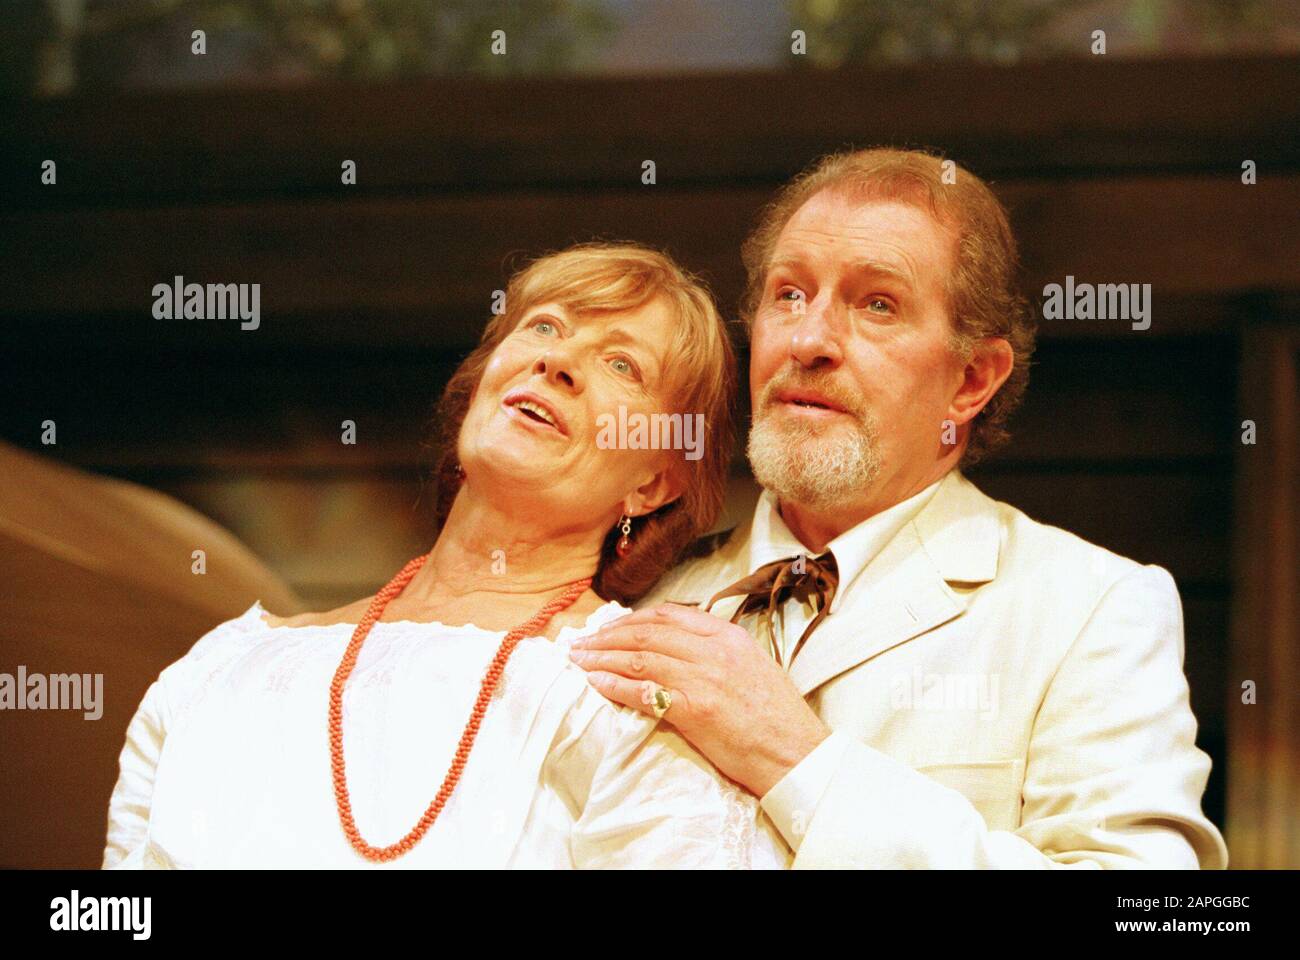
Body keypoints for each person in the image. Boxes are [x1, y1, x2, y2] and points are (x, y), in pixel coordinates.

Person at [566, 148, 1230, 869]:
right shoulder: (631, 590)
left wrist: (798, 762)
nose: (809, 340)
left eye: (877, 304)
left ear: (971, 379)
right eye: (789, 295)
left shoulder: (1090, 607)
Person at [101, 242, 791, 869]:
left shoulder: (634, 696)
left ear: (652, 483)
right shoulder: (219, 668)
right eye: (544, 326)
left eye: (621, 364)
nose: (557, 362)